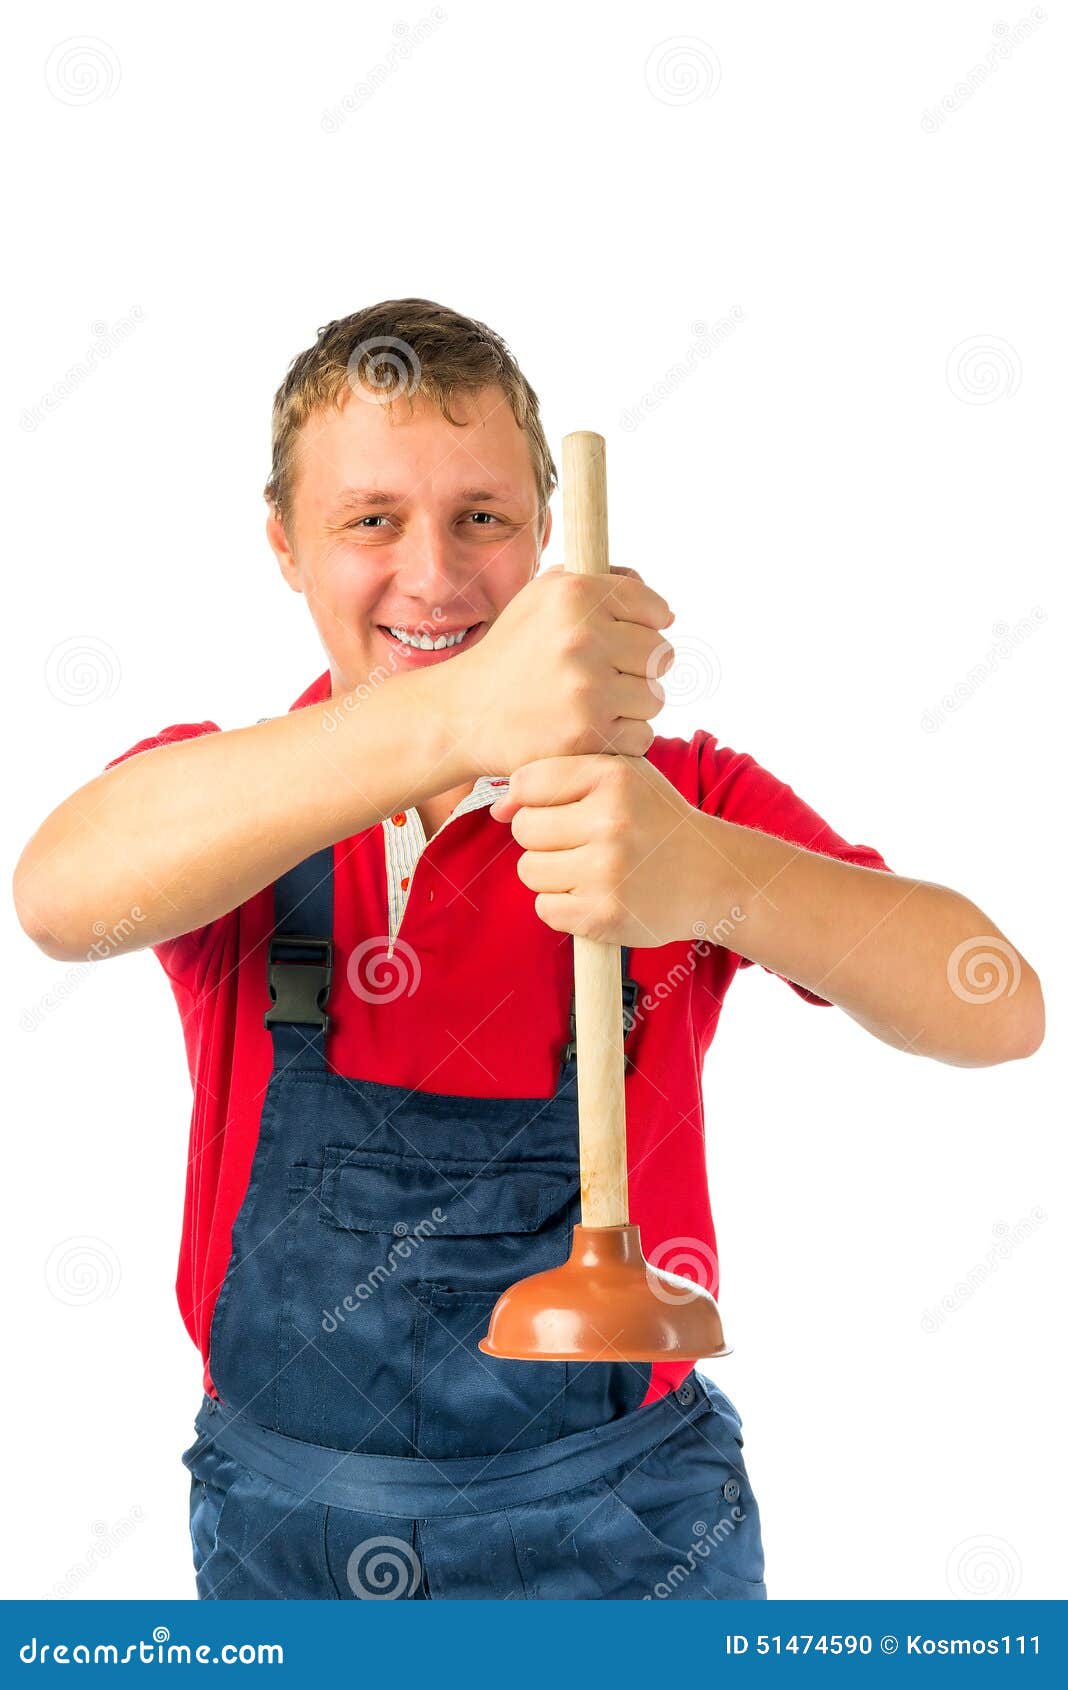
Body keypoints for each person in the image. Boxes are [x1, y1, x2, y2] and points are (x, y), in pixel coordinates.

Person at [13, 298, 1044, 1601]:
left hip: (627, 1539)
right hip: (287, 1551)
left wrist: (716, 877)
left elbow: (999, 1004)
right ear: (284, 543)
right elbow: (56, 895)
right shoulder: (232, 804)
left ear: (546, 535)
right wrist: (458, 715)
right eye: (371, 520)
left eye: (482, 518)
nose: (436, 576)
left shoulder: (663, 799)